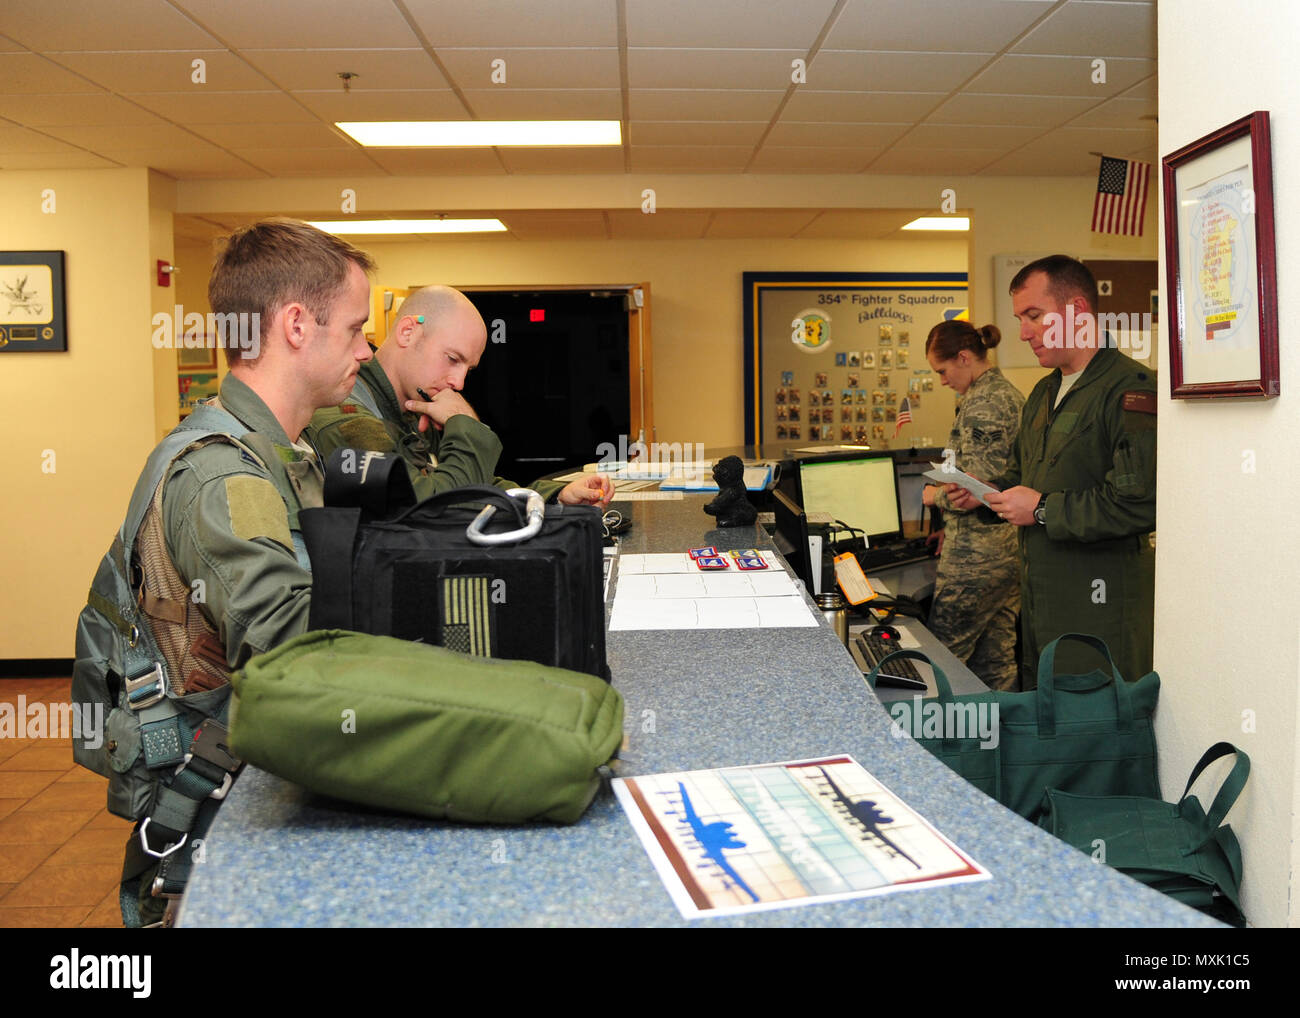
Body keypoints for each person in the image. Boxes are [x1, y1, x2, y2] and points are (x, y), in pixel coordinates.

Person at [72, 218, 376, 925]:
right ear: (297, 325)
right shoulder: (223, 474)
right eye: (357, 327)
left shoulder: (272, 451)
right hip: (218, 798)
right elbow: (288, 644)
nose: (367, 348)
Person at [948, 255, 1156, 687]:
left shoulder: (1130, 388)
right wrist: (987, 495)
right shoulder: (1043, 392)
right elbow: (1025, 480)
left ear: (1077, 312)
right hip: (1041, 610)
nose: (1023, 333)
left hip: (1098, 618)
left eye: (1034, 316)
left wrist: (1042, 509)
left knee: (1092, 736)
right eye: (1021, 318)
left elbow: (1139, 505)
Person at [306, 285, 613, 506]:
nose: (459, 382)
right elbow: (431, 510)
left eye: (469, 368)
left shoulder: (416, 408)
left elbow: (470, 484)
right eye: (452, 359)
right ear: (408, 332)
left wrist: (551, 496)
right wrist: (465, 425)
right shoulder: (347, 416)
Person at [921, 320, 1025, 690]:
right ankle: (1001, 740)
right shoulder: (1004, 393)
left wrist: (934, 496)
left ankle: (932, 747)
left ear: (964, 357)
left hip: (977, 558)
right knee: (994, 663)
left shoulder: (984, 406)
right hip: (1005, 550)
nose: (943, 380)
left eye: (943, 370)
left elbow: (975, 491)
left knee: (940, 665)